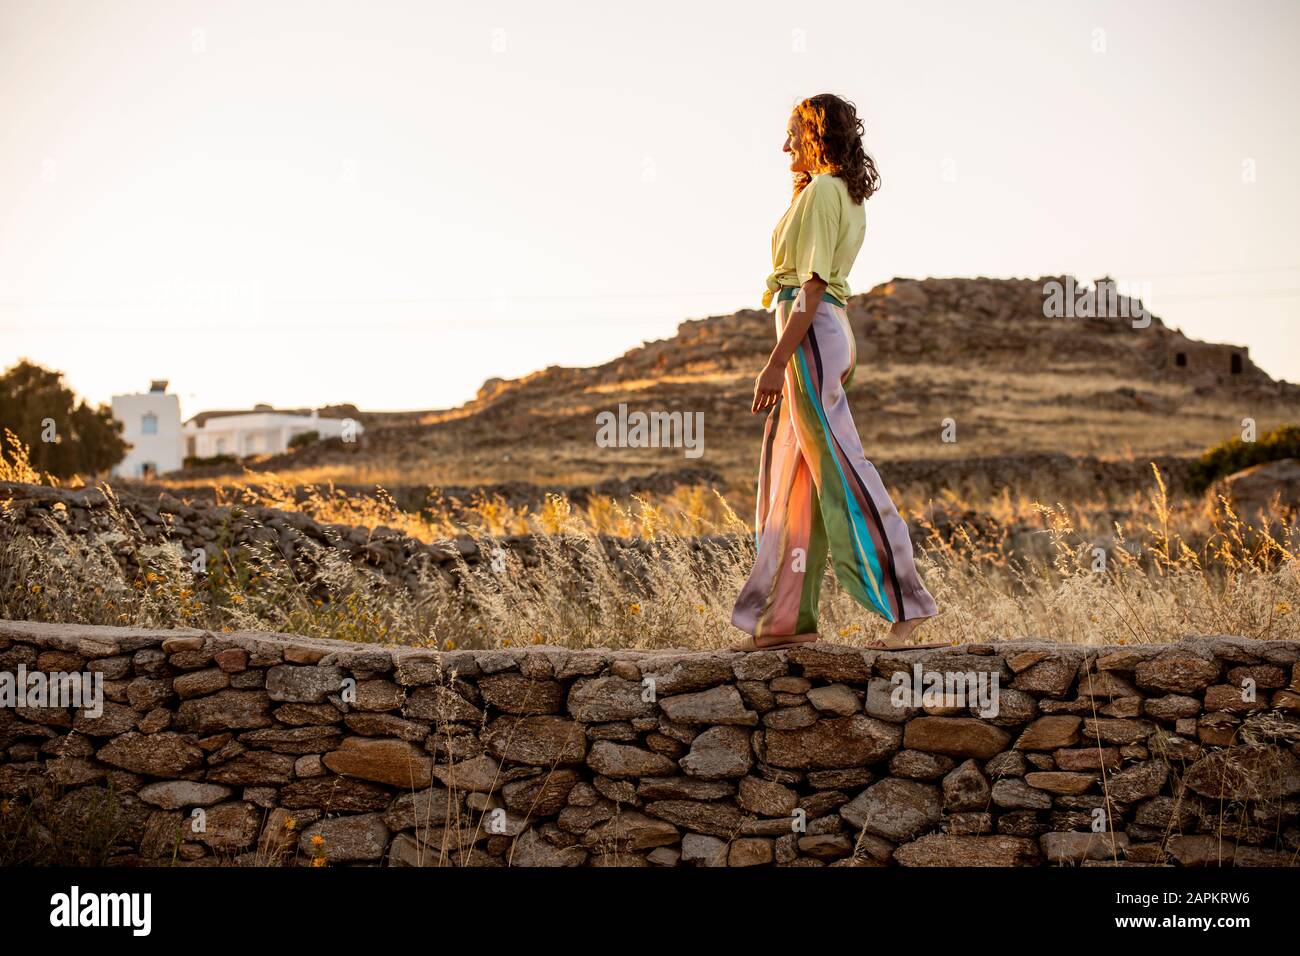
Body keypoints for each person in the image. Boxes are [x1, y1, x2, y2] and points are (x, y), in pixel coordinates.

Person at [729, 94, 942, 653]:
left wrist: (775, 363)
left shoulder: (825, 190)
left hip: (811, 334)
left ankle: (906, 604)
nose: (784, 147)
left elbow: (814, 283)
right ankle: (785, 622)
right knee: (794, 477)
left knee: (843, 467)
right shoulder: (834, 192)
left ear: (815, 133)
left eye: (792, 134)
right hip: (820, 332)